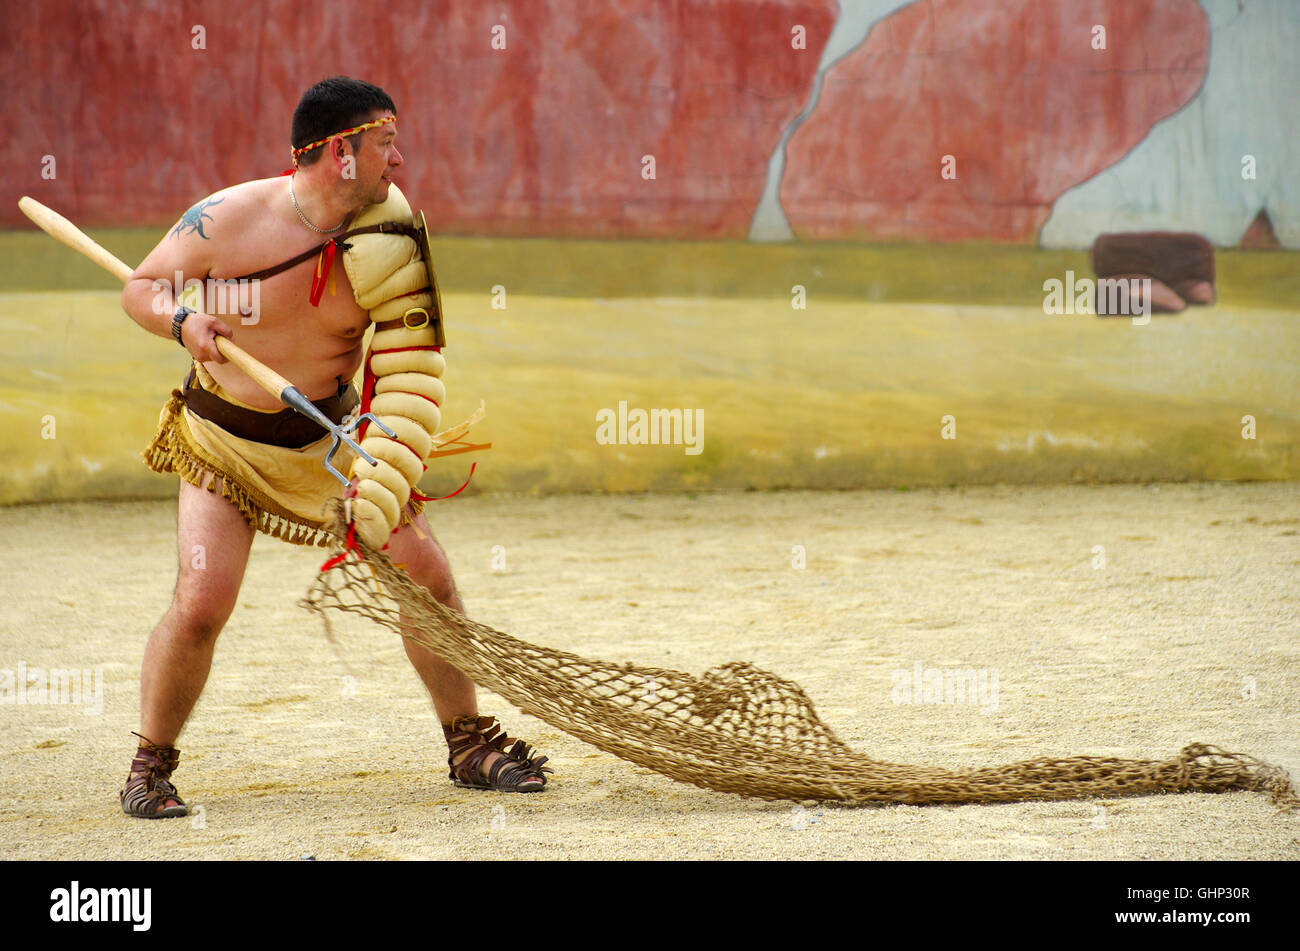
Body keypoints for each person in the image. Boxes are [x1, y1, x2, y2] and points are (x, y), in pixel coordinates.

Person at [117, 76, 549, 819]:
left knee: (428, 578)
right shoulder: (229, 217)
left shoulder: (389, 236)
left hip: (331, 437)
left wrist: (388, 458)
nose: (400, 159)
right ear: (341, 153)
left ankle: (468, 741)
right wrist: (183, 321)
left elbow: (411, 362)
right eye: (385, 142)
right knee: (199, 603)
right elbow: (142, 288)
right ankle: (148, 766)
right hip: (223, 438)